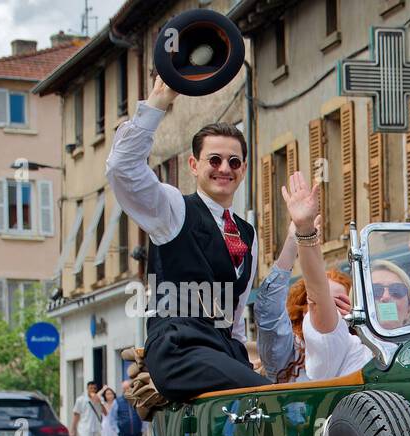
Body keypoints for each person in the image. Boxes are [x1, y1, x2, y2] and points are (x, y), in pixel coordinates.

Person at [106, 76, 268, 404]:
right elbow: (122, 169)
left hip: (222, 351)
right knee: (265, 396)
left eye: (234, 162)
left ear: (244, 168)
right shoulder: (174, 209)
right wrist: (158, 101)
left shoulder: (246, 232)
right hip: (180, 349)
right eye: (214, 160)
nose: (225, 168)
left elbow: (234, 320)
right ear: (194, 165)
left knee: (272, 399)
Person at [282, 168, 370, 381]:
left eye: (397, 291)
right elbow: (318, 297)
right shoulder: (337, 348)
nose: (387, 297)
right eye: (331, 303)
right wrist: (305, 233)